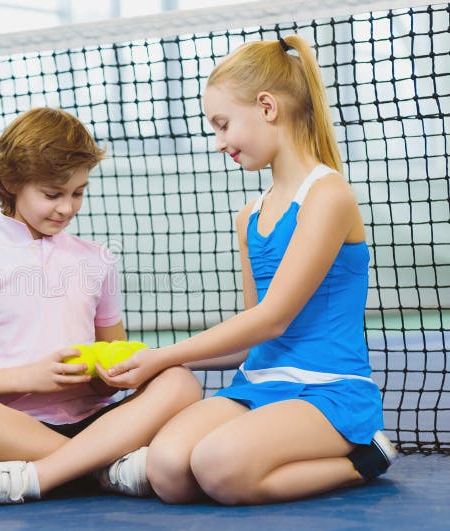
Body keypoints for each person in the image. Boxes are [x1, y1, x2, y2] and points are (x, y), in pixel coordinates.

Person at [100, 35, 398, 505]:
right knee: (167, 471)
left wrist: (161, 357)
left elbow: (273, 317)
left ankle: (363, 460)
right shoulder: (249, 217)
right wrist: (151, 357)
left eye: (223, 124)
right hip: (258, 385)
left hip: (329, 393)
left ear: (266, 106)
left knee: (219, 466)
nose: (220, 143)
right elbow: (251, 333)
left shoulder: (329, 196)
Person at [0, 107, 202, 507]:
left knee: (179, 381)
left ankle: (52, 472)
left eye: (78, 193)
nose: (67, 208)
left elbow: (117, 354)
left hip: (101, 424)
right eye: (52, 194)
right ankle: (104, 471)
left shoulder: (98, 260)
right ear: (10, 182)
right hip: (12, 429)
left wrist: (105, 375)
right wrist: (31, 377)